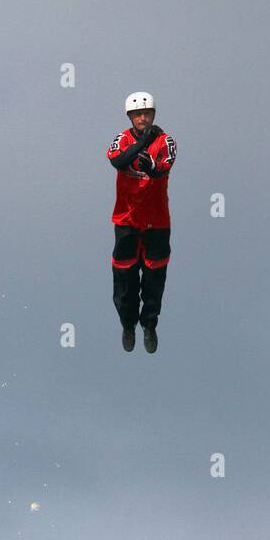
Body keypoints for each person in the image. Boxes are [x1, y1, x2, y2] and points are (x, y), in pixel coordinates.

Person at [106, 91, 176, 353]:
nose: (142, 118)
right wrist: (139, 146)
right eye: (137, 114)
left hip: (156, 223)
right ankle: (127, 325)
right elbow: (117, 161)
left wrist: (150, 168)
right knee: (124, 278)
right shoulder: (122, 139)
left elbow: (163, 168)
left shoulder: (166, 141)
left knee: (154, 279)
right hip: (126, 220)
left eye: (146, 113)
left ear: (153, 114)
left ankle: (149, 325)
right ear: (130, 117)